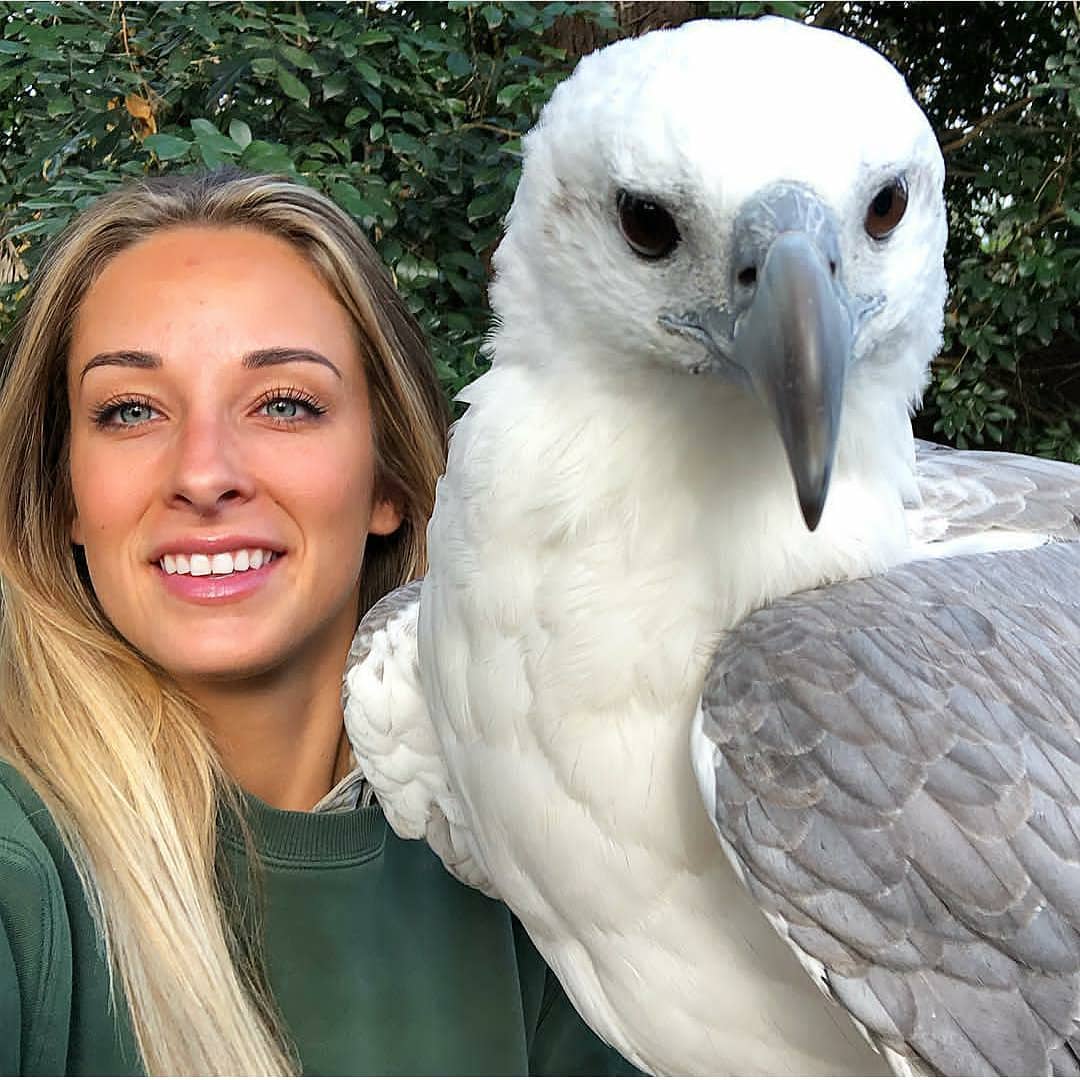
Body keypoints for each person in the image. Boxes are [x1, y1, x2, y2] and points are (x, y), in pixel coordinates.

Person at [0, 170, 634, 1076]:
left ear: (389, 482)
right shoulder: (22, 875)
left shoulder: (542, 845)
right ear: (65, 494)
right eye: (130, 411)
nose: (204, 474)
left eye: (284, 404)